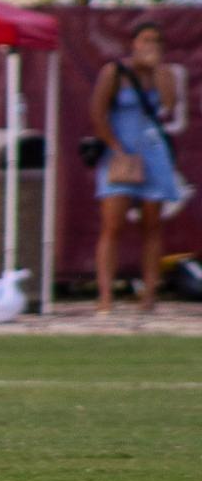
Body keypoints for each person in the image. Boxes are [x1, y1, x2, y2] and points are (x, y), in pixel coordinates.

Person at [89, 21, 182, 313]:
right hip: (121, 152)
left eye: (156, 41)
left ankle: (150, 294)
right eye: (145, 40)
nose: (150, 46)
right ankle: (105, 295)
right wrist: (116, 149)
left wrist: (157, 70)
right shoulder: (115, 72)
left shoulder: (163, 73)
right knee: (112, 224)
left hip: (152, 151)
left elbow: (168, 105)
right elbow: (98, 113)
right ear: (134, 43)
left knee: (152, 224)